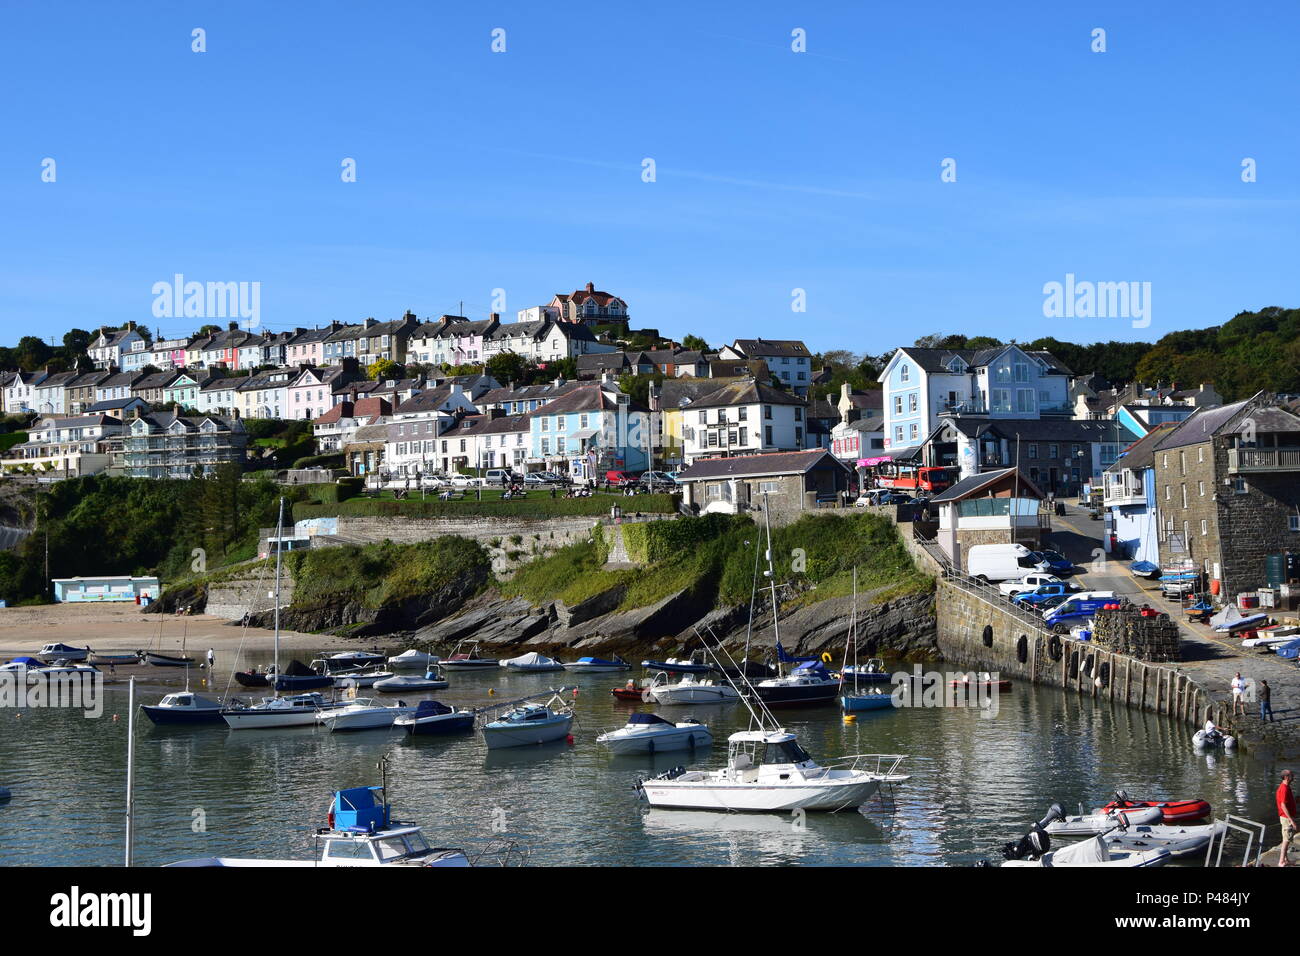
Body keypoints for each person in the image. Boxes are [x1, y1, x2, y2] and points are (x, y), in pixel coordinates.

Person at [1279, 770, 1296, 867]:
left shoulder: (1286, 787)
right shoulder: (1284, 788)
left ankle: (1285, 859)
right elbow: (1283, 806)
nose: (1293, 776)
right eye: (1291, 775)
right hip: (1286, 818)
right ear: (1286, 777)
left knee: (1286, 838)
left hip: (1286, 818)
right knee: (1286, 840)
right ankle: (1281, 861)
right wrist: (1292, 820)